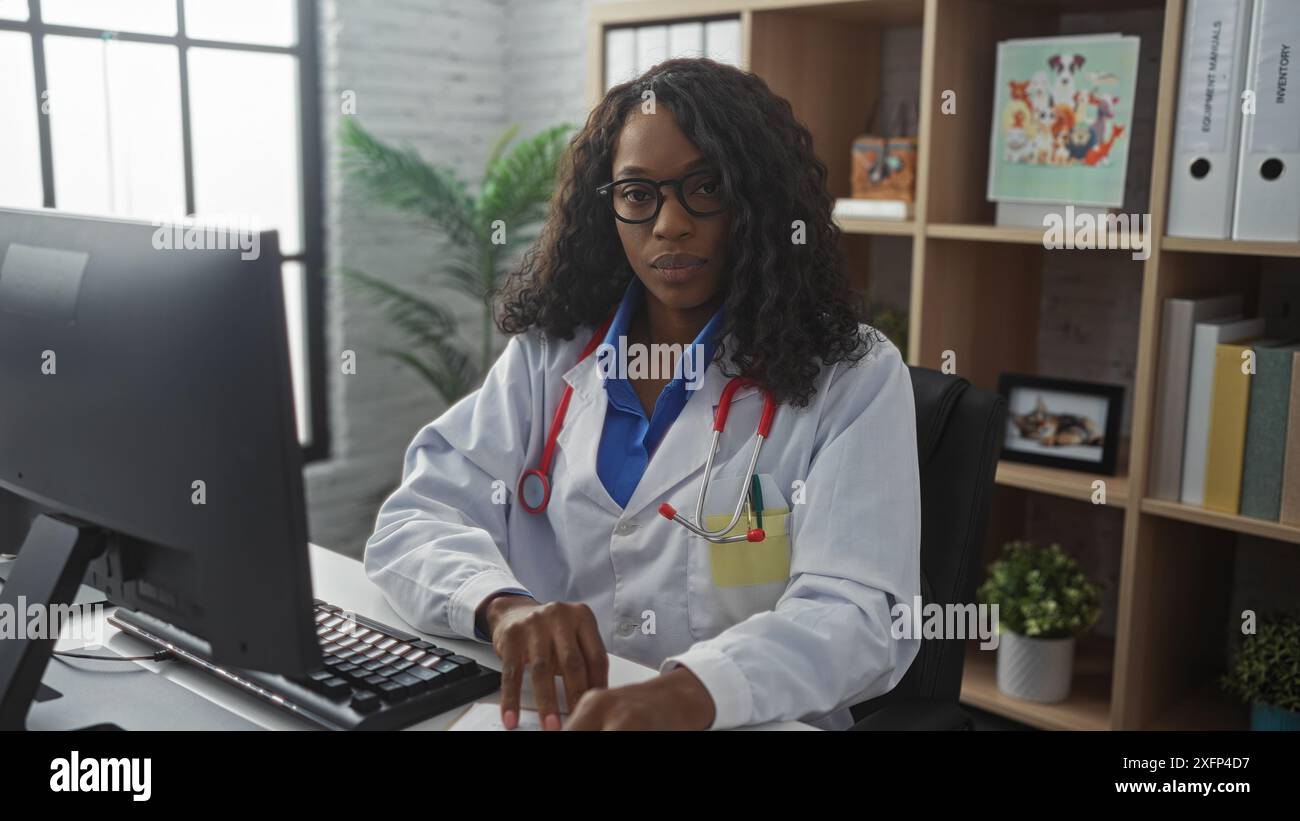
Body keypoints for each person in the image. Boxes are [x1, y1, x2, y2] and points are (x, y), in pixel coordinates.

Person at [364, 57, 921, 730]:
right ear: (611, 208)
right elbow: (415, 517)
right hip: (563, 714)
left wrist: (690, 691)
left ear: (758, 199)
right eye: (637, 194)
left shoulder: (852, 374)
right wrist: (502, 603)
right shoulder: (554, 353)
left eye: (704, 187)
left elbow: (858, 613)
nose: (669, 224)